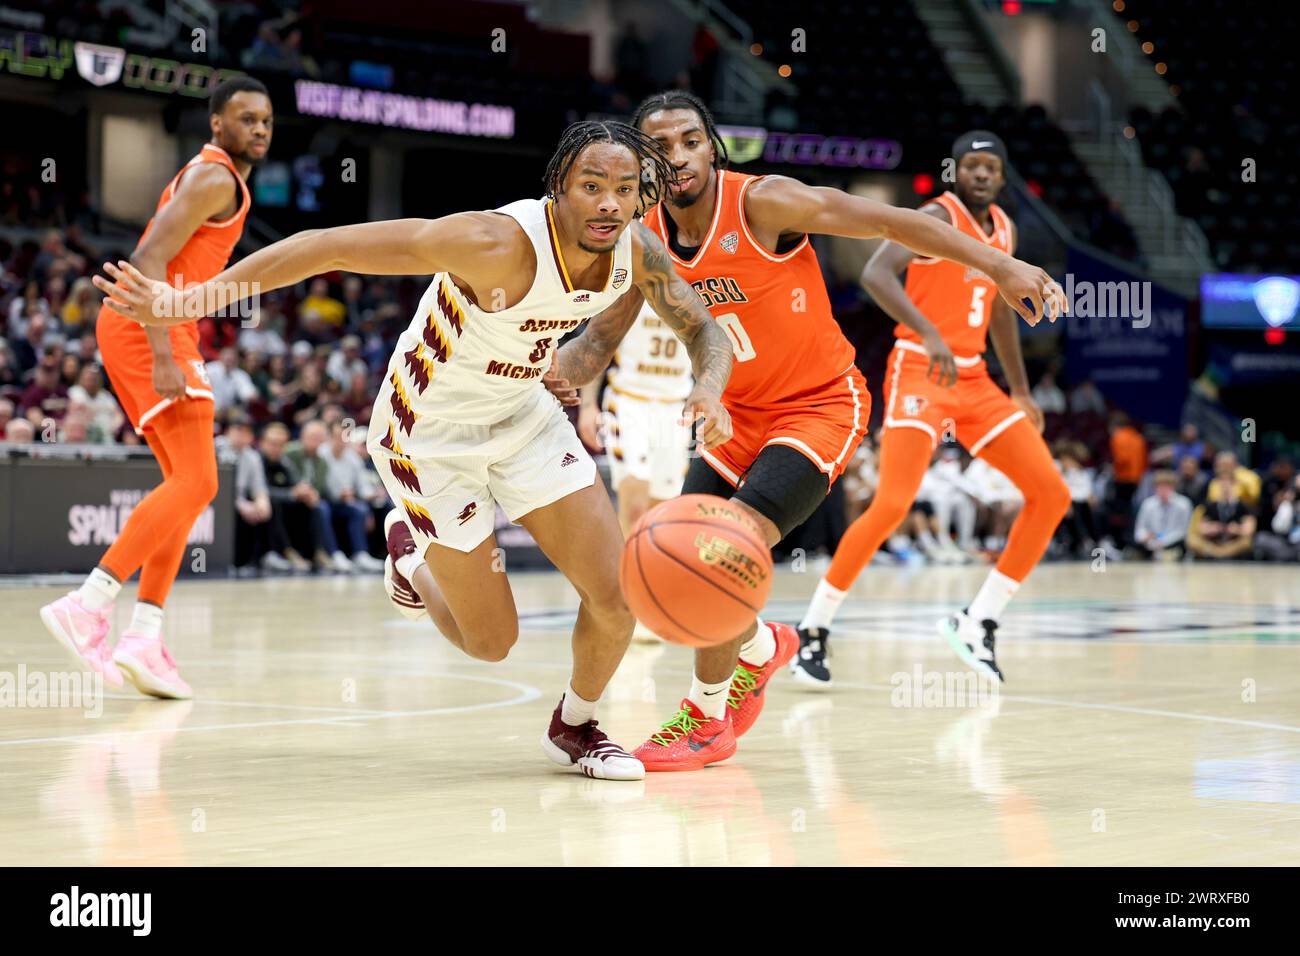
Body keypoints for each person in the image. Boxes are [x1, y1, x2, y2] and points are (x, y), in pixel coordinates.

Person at [96, 120, 735, 782]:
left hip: (523, 415)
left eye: (624, 189)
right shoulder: (494, 241)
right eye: (592, 186)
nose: (608, 203)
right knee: (491, 643)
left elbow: (705, 331)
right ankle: (409, 557)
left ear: (641, 197)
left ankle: (576, 725)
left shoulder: (637, 252)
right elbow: (326, 247)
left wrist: (711, 390)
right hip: (428, 435)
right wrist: (189, 302)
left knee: (617, 593)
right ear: (559, 190)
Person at [550, 96, 1064, 765]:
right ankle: (765, 648)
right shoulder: (643, 238)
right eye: (661, 145)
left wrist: (998, 265)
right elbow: (599, 339)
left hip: (818, 406)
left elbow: (891, 221)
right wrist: (527, 368)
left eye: (690, 141)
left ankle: (707, 718)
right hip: (732, 420)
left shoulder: (765, 202)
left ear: (712, 149)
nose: (676, 155)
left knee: (715, 556)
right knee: (678, 569)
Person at [795, 131, 1071, 685]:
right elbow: (875, 273)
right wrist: (927, 330)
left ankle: (979, 620)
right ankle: (814, 629)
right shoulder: (933, 216)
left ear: (1002, 175)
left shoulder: (1005, 229)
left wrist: (1018, 388)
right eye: (972, 165)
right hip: (922, 365)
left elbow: (999, 309)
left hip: (973, 378)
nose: (982, 174)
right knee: (893, 503)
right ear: (955, 171)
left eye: (992, 167)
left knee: (1051, 494)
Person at [39, 76, 273, 700]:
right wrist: (166, 350)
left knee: (188, 483)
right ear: (216, 124)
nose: (258, 129)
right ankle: (89, 604)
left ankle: (144, 634)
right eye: (245, 118)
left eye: (266, 121)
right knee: (200, 482)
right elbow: (146, 259)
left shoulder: (220, 178)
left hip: (151, 323)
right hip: (151, 326)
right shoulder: (215, 177)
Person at [576, 298, 694, 640]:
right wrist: (587, 406)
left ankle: (650, 593)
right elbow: (598, 344)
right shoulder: (631, 285)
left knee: (661, 515)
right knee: (635, 504)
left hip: (676, 408)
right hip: (629, 403)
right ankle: (634, 600)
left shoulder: (698, 284)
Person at [1187, 458, 1257, 561]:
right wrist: (1211, 528)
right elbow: (1200, 527)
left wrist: (1236, 529)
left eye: (1228, 484)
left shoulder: (1242, 506)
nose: (1225, 487)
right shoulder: (1211, 505)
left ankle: (1220, 555)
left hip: (1233, 542)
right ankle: (1220, 554)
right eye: (1222, 483)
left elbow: (1249, 529)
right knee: (1192, 540)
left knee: (1246, 542)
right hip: (1214, 543)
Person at [1132, 470, 1192, 560]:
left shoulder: (1183, 504)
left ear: (1173, 487)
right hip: (1150, 542)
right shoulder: (1148, 504)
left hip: (1172, 542)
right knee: (1134, 546)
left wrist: (1163, 542)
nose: (1162, 490)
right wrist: (1145, 537)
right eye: (1159, 486)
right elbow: (1140, 528)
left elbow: (1182, 531)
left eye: (1166, 486)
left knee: (1184, 543)